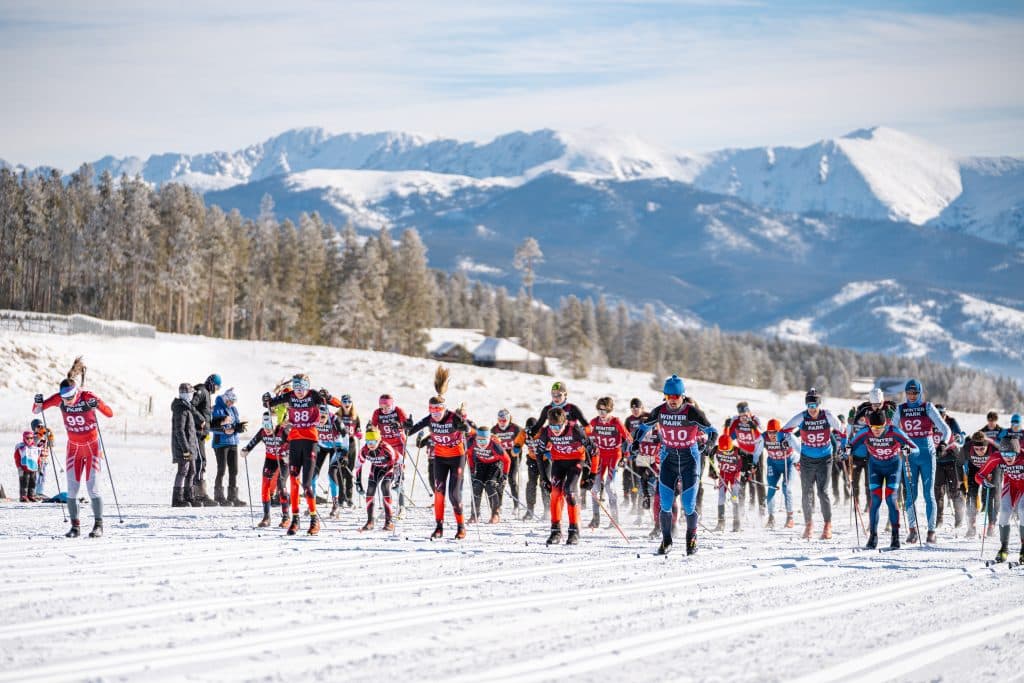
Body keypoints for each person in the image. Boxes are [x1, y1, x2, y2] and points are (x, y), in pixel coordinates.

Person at [632, 375, 715, 556]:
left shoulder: (692, 412)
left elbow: (712, 430)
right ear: (665, 396)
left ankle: (691, 539)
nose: (672, 400)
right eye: (669, 396)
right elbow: (644, 428)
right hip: (668, 460)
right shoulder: (660, 411)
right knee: (665, 504)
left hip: (689, 460)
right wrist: (636, 442)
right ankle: (666, 540)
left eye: (676, 396)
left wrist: (709, 444)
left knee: (688, 505)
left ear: (682, 396)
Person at [33, 364, 114, 538]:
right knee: (72, 491)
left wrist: (97, 404)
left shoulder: (87, 396)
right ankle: (75, 527)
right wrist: (37, 401)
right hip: (74, 449)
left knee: (93, 488)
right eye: (64, 397)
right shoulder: (60, 399)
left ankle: (98, 525)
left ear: (76, 391)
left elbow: (109, 413)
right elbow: (37, 410)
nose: (67, 401)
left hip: (92, 447)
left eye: (70, 397)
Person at [263, 374, 333, 536]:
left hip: (310, 442)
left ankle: (314, 519)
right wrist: (266, 399)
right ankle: (295, 519)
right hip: (294, 442)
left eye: (302, 388)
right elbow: (270, 404)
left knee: (307, 484)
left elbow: (333, 403)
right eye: (296, 388)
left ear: (307, 387)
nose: (299, 392)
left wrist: (327, 396)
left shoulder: (313, 395)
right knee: (294, 480)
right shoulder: (290, 396)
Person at [407, 367, 470, 540]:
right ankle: (439, 527)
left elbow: (469, 427)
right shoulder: (429, 419)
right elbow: (410, 431)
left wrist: (464, 427)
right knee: (439, 492)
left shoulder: (452, 417)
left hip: (457, 458)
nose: (434, 414)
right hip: (440, 458)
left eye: (438, 410)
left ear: (444, 409)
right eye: (432, 410)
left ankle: (461, 527)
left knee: (454, 495)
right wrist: (406, 426)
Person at [892, 379, 950, 544]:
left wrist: (943, 444)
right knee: (911, 494)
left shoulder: (928, 407)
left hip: (927, 454)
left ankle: (931, 531)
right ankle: (912, 530)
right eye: (909, 393)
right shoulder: (900, 409)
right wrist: (899, 446)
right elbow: (892, 432)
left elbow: (946, 429)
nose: (911, 396)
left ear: (920, 393)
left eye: (914, 393)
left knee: (928, 493)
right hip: (909, 455)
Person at [849, 411, 918, 549]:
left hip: (893, 467)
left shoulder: (894, 431)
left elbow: (915, 448)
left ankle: (895, 536)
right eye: (874, 428)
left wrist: (907, 450)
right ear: (869, 425)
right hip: (875, 467)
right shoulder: (865, 432)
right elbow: (850, 445)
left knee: (891, 499)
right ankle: (873, 537)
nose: (876, 431)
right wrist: (845, 450)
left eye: (879, 428)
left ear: (885, 424)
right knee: (875, 501)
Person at [781, 388, 844, 540]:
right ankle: (809, 524)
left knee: (822, 492)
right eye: (809, 406)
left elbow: (842, 430)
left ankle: (827, 525)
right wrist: (782, 440)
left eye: (815, 406)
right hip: (807, 459)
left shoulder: (827, 415)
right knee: (806, 492)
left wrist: (845, 445)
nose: (812, 410)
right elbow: (783, 431)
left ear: (819, 405)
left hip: (825, 459)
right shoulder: (802, 417)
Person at [536, 407, 595, 545]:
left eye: (558, 426)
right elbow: (539, 455)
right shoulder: (547, 432)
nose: (555, 430)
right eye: (552, 426)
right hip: (559, 463)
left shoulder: (575, 430)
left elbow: (595, 451)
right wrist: (544, 479)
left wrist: (591, 475)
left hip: (576, 462)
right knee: (555, 493)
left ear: (565, 422)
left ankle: (574, 531)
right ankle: (555, 531)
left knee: (569, 491)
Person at [976, 436, 1024, 564]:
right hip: (1011, 485)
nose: (1007, 458)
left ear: (1017, 452)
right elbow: (978, 475)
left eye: (1010, 454)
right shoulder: (997, 457)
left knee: (1022, 510)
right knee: (1004, 512)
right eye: (1004, 454)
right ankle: (1004, 548)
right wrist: (984, 482)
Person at [587, 397, 631, 528]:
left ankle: (614, 519)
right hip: (600, 456)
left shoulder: (616, 421)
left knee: (609, 486)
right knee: (594, 488)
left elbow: (629, 439)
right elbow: (587, 437)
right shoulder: (594, 422)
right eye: (599, 410)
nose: (602, 413)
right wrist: (589, 449)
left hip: (614, 455)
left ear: (610, 410)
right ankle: (595, 518)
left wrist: (625, 456)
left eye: (605, 410)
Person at [242, 412, 291, 528]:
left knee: (281, 485)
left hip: (284, 461)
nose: (267, 429)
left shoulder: (282, 431)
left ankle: (286, 517)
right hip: (270, 460)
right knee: (265, 486)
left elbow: (293, 443)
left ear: (274, 425)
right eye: (265, 426)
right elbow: (253, 442)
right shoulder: (262, 432)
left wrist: (287, 454)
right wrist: (246, 449)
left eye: (269, 426)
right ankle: (266, 517)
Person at [355, 425, 400, 532]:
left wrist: (398, 480)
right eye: (368, 441)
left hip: (390, 468)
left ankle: (389, 522)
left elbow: (399, 463)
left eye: (373, 442)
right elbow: (358, 465)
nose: (370, 445)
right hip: (376, 468)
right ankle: (370, 521)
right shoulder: (364, 450)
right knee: (370, 489)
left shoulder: (387, 449)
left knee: (385, 487)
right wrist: (358, 481)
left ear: (379, 440)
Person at [211, 387, 247, 507]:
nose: (231, 404)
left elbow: (235, 423)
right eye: (230, 401)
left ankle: (233, 496)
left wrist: (238, 428)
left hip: (233, 442)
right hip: (221, 443)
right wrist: (224, 431)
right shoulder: (217, 408)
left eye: (233, 402)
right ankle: (219, 496)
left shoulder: (233, 409)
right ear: (225, 399)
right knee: (221, 469)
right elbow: (212, 426)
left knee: (234, 470)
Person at [728, 402, 765, 515]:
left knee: (758, 480)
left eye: (745, 415)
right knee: (743, 480)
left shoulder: (755, 419)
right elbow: (730, 436)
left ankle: (762, 508)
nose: (743, 418)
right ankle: (741, 508)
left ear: (749, 412)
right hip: (744, 453)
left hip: (756, 453)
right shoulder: (735, 420)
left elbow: (762, 437)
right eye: (741, 415)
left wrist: (752, 425)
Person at [190, 373, 221, 507]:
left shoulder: (207, 393)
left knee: (201, 461)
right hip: (196, 433)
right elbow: (191, 406)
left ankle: (198, 492)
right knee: (201, 461)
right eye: (216, 386)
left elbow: (204, 413)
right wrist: (201, 420)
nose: (216, 390)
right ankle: (199, 494)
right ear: (211, 383)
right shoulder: (202, 391)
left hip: (202, 434)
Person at [468, 426, 511, 523]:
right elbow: (469, 455)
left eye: (484, 441)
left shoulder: (495, 446)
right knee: (476, 486)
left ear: (489, 439)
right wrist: (471, 469)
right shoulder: (471, 443)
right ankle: (474, 515)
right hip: (481, 464)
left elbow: (507, 460)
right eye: (479, 441)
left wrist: (504, 475)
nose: (481, 444)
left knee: (490, 486)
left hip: (494, 465)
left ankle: (495, 514)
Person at [933, 404, 966, 528]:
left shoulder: (951, 422)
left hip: (952, 459)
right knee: (938, 492)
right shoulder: (930, 422)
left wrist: (958, 438)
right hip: (937, 461)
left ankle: (959, 519)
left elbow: (961, 440)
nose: (941, 416)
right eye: (938, 414)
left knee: (954, 490)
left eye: (943, 413)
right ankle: (938, 520)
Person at [763, 418, 799, 529]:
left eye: (775, 432)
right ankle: (771, 517)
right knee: (771, 488)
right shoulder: (763, 437)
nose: (772, 435)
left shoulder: (786, 436)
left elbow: (799, 448)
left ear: (779, 431)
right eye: (770, 432)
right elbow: (757, 449)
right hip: (773, 464)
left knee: (786, 488)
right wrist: (753, 464)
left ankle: (790, 517)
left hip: (788, 463)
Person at [171, 383, 203, 507]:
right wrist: (185, 449)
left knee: (192, 471)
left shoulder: (188, 407)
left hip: (191, 445)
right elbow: (179, 431)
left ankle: (189, 496)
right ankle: (177, 499)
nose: (192, 395)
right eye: (190, 393)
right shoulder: (180, 409)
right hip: (183, 447)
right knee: (183, 470)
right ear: (185, 394)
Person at [973, 411, 1003, 537]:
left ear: (996, 420)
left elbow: (1003, 444)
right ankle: (986, 507)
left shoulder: (1001, 431)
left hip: (997, 463)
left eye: (993, 419)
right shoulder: (982, 431)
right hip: (985, 463)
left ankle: (992, 522)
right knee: (986, 490)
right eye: (989, 419)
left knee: (995, 491)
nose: (991, 421)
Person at [491, 409, 526, 516]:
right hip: (501, 457)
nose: (502, 422)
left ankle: (516, 505)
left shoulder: (515, 428)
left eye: (504, 420)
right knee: (500, 480)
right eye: (500, 420)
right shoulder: (494, 429)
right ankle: (499, 505)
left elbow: (523, 439)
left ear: (509, 419)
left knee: (512, 479)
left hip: (513, 457)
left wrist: (518, 448)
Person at [314, 407, 347, 517]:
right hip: (321, 446)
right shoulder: (313, 418)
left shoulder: (335, 420)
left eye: (323, 417)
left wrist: (345, 454)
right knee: (313, 475)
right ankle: (312, 504)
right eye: (319, 417)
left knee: (331, 473)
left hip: (336, 447)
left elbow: (345, 434)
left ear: (327, 416)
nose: (320, 420)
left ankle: (335, 505)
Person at [964, 431, 998, 538]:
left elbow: (999, 465)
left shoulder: (994, 448)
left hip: (991, 470)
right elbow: (958, 463)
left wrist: (993, 477)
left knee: (990, 498)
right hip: (974, 470)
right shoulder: (967, 446)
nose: (980, 452)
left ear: (987, 446)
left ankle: (991, 525)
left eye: (982, 449)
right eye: (977, 449)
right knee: (971, 495)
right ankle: (972, 524)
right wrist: (961, 481)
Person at [334, 395, 362, 510]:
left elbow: (358, 429)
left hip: (351, 444)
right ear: (341, 403)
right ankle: (341, 498)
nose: (347, 404)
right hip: (340, 444)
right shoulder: (337, 415)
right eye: (344, 402)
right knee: (340, 472)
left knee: (350, 472)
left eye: (349, 401)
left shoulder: (355, 416)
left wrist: (359, 433)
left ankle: (349, 498)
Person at [713, 434, 744, 532]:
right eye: (723, 451)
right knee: (721, 497)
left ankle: (737, 523)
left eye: (727, 451)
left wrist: (746, 472)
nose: (725, 453)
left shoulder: (738, 451)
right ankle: (721, 522)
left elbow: (746, 462)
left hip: (735, 477)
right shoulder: (716, 449)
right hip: (723, 476)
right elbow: (710, 458)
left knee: (734, 498)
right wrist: (712, 471)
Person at [622, 398, 648, 512]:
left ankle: (641, 504)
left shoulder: (648, 417)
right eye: (632, 408)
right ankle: (631, 501)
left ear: (642, 407)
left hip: (645, 453)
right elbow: (625, 436)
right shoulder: (629, 420)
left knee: (640, 478)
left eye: (637, 408)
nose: (635, 410)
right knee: (629, 477)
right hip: (632, 452)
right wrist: (624, 453)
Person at [522, 417, 550, 520]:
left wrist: (548, 450)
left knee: (545, 483)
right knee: (531, 484)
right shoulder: (525, 434)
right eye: (529, 429)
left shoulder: (544, 432)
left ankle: (548, 510)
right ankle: (530, 510)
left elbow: (551, 441)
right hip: (532, 460)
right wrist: (516, 446)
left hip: (544, 460)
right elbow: (519, 440)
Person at [30, 418, 54, 500]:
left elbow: (51, 445)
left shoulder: (44, 436)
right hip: (35, 460)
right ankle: (33, 492)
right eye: (38, 426)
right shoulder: (33, 436)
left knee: (42, 477)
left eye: (42, 426)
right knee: (35, 476)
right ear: (34, 428)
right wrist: (41, 435)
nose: (40, 428)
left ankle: (40, 491)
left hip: (44, 459)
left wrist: (50, 437)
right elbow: (35, 443)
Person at [14, 431, 41, 502]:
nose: (29, 440)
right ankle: (23, 496)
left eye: (31, 438)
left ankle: (31, 495)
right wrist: (19, 467)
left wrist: (39, 466)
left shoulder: (35, 448)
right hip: (24, 468)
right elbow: (17, 458)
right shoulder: (21, 447)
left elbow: (37, 458)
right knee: (24, 482)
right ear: (24, 438)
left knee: (33, 482)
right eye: (27, 438)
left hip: (33, 468)